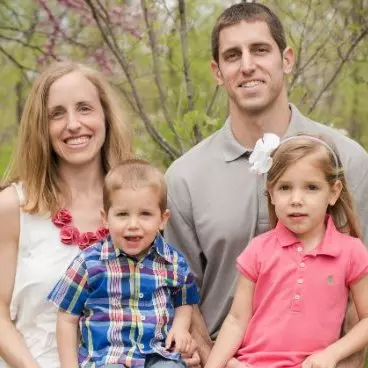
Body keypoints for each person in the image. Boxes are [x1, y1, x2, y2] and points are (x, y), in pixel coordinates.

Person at [164, 2, 368, 367]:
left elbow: (360, 299)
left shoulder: (347, 161)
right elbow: (183, 294)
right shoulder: (184, 178)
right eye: (232, 55)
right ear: (216, 71)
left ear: (286, 59)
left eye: (260, 49)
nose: (247, 65)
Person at [0, 61, 132, 368]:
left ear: (105, 116)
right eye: (56, 114)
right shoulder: (13, 207)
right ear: (41, 127)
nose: (73, 124)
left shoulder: (138, 204)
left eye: (84, 108)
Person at [204, 134, 368, 368]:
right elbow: (236, 320)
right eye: (285, 188)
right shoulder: (259, 249)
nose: (296, 200)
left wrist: (333, 354)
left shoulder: (351, 252)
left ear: (333, 192)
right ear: (271, 193)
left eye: (311, 188)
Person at [47, 159, 200, 367]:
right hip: (108, 358)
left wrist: (180, 328)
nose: (133, 225)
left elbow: (184, 301)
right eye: (122, 214)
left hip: (157, 354)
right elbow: (67, 317)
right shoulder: (90, 263)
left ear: (163, 219)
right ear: (105, 218)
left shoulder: (173, 262)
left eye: (145, 214)